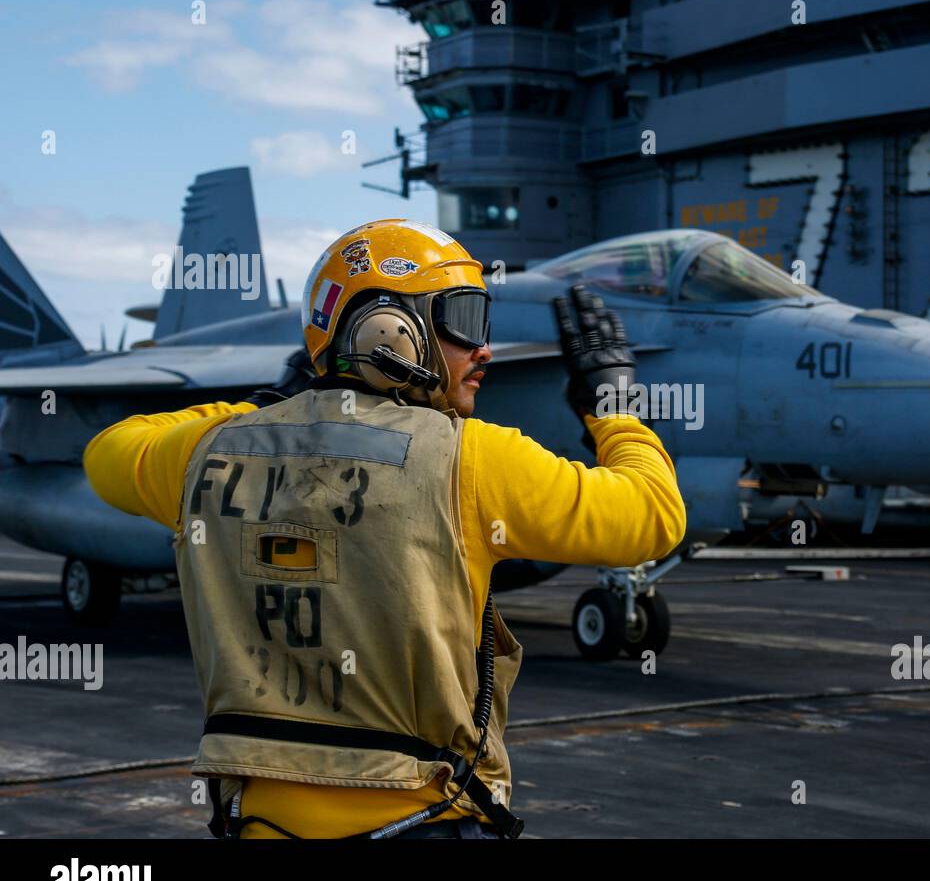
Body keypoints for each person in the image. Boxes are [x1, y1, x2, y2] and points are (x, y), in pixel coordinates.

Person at [83, 219, 687, 839]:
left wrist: (264, 414)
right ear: (390, 332)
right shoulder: (471, 459)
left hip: (258, 822)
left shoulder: (204, 453)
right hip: (420, 820)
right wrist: (613, 408)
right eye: (465, 321)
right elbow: (652, 517)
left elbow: (109, 454)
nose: (485, 350)